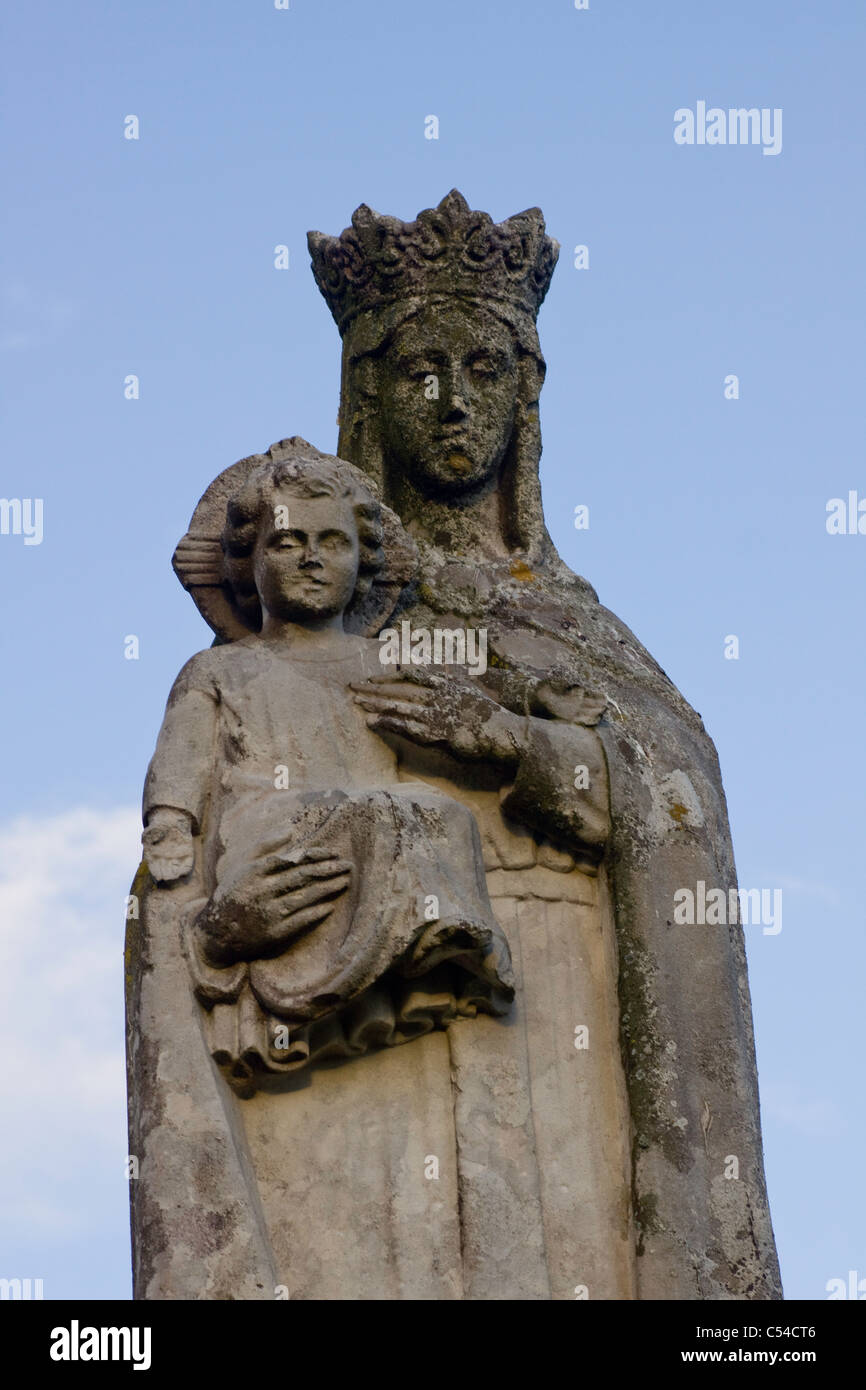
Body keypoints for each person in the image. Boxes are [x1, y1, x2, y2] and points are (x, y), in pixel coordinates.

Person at [141, 448, 513, 1091]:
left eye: (332, 541)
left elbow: (475, 701)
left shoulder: (388, 663)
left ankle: (430, 947)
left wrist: (529, 707)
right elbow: (182, 758)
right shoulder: (220, 670)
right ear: (246, 563)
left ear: (364, 561)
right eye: (287, 542)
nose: (312, 558)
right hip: (273, 830)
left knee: (438, 812)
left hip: (373, 825)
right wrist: (171, 821)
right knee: (384, 814)